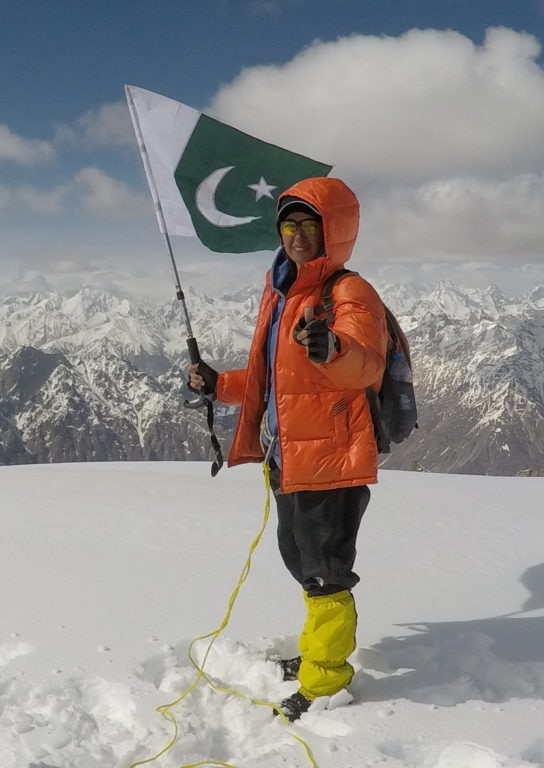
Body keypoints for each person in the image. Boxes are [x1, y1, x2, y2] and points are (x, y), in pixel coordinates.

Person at [188, 176, 387, 721]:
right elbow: (273, 377)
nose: (298, 235)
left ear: (334, 230)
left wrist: (333, 347)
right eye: (290, 224)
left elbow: (365, 362)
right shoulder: (283, 292)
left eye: (310, 225)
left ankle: (327, 682)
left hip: (331, 459)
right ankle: (318, 654)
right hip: (289, 454)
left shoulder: (348, 293)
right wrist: (218, 384)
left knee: (325, 568)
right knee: (301, 559)